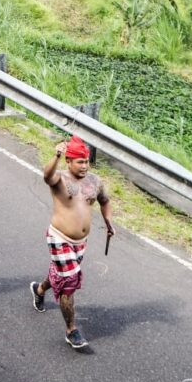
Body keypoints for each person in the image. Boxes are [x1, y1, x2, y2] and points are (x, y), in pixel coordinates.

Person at [30, 136, 114, 349]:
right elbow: (46, 175)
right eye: (80, 161)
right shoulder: (60, 179)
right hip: (59, 237)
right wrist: (56, 155)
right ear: (69, 161)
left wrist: (108, 223)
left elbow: (105, 201)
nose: (84, 166)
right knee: (69, 283)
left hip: (80, 242)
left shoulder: (94, 181)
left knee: (60, 273)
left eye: (86, 161)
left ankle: (39, 290)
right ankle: (71, 331)